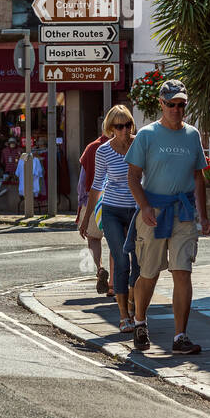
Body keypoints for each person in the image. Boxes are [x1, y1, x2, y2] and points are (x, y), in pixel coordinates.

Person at [126, 79, 210, 355]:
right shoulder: (147, 135)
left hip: (184, 214)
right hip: (154, 212)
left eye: (181, 105)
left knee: (182, 271)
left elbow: (199, 177)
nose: (177, 109)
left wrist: (204, 215)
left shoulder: (192, 135)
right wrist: (145, 206)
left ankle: (180, 336)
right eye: (171, 104)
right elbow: (133, 176)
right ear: (161, 104)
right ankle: (139, 320)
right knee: (148, 273)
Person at [91, 105, 142, 333]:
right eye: (119, 126)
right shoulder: (103, 151)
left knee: (139, 264)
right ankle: (123, 316)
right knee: (122, 263)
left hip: (137, 211)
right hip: (113, 210)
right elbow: (96, 184)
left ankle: (134, 305)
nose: (124, 130)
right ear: (111, 128)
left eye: (127, 125)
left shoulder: (140, 144)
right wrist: (86, 220)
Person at [78, 120, 112, 295]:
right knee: (117, 244)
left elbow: (83, 181)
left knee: (94, 238)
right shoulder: (127, 145)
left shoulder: (92, 147)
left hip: (94, 200)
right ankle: (114, 282)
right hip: (118, 200)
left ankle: (99, 268)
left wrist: (81, 204)